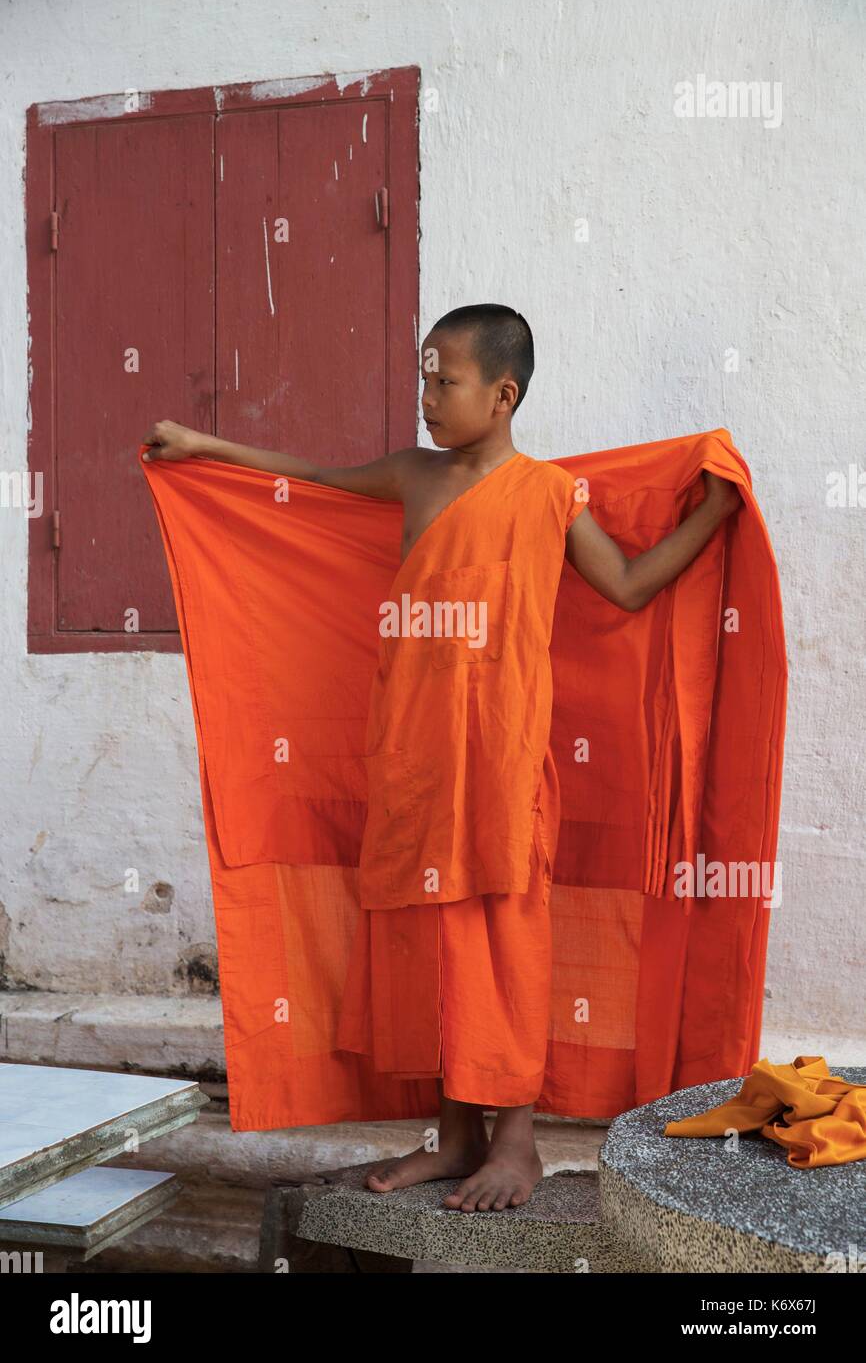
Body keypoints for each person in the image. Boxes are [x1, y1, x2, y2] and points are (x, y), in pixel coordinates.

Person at [143, 303, 741, 1213]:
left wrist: (719, 509)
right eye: (423, 376)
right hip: (412, 757)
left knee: (502, 941)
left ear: (502, 395)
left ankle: (516, 1143)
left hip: (498, 762)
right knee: (429, 947)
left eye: (444, 380)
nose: (425, 396)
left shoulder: (547, 493)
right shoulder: (412, 475)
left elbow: (624, 586)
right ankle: (455, 1137)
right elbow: (306, 476)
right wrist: (202, 444)